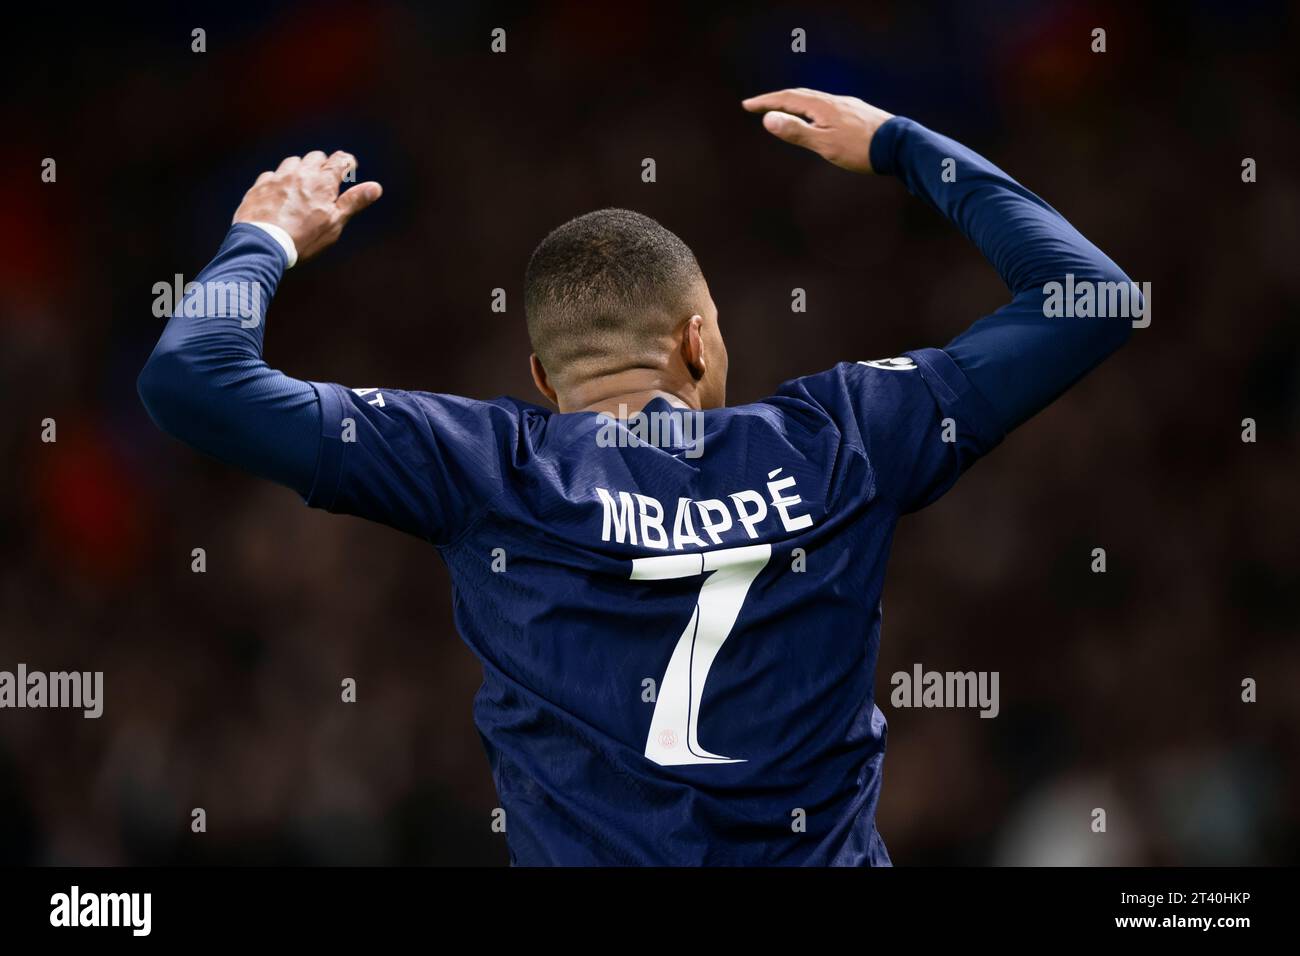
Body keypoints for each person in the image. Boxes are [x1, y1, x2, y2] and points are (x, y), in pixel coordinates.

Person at [138, 89, 1134, 865]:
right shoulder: (843, 438)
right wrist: (899, 144)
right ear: (698, 342)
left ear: (540, 378)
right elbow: (1088, 297)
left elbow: (191, 379)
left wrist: (264, 234)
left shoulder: (481, 464)